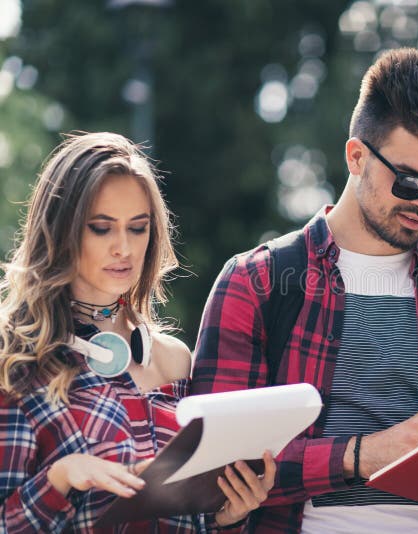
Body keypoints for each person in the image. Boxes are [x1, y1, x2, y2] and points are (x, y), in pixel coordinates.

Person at [191, 48, 418, 533]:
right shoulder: (255, 284)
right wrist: (361, 455)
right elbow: (213, 472)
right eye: (409, 182)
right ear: (356, 157)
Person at [0, 132, 276, 533]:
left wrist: (226, 517)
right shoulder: (16, 359)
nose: (124, 248)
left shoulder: (175, 359)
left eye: (138, 228)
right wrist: (61, 476)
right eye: (101, 228)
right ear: (60, 232)